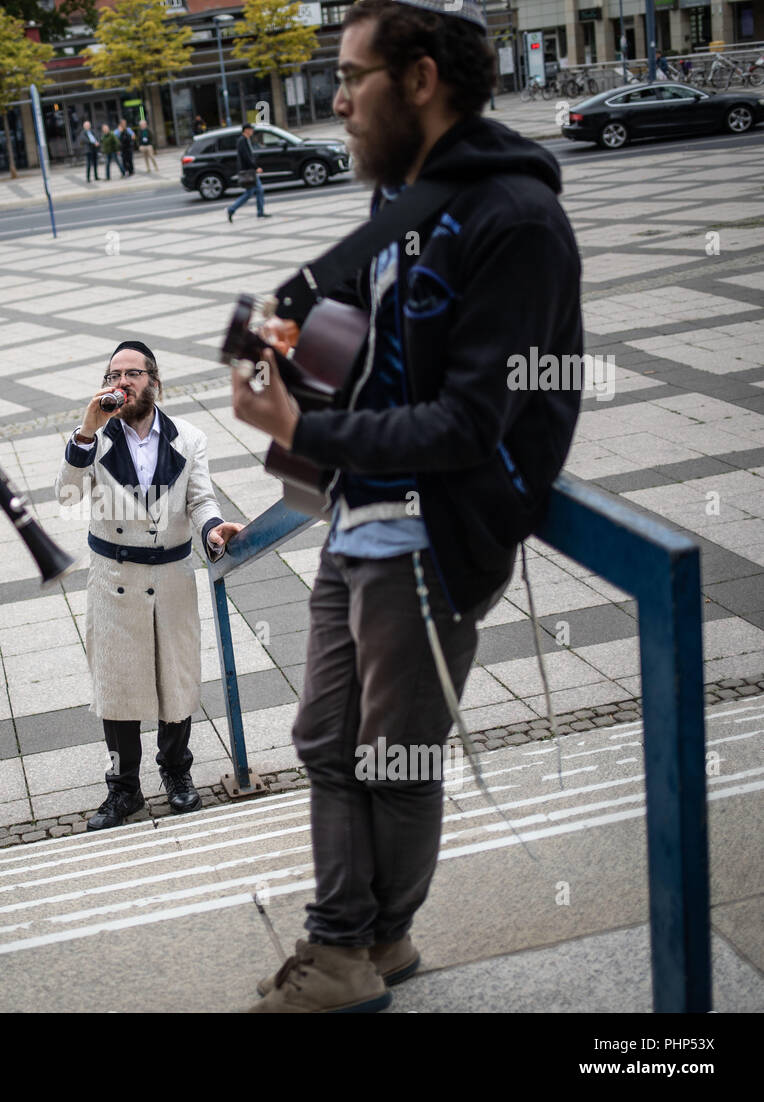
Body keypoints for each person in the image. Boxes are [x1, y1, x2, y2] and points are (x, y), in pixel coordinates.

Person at [230, 0, 582, 1013]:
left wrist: (305, 431)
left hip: (431, 534)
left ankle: (351, 948)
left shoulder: (511, 219)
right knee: (326, 741)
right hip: (359, 516)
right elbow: (379, 363)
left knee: (389, 750)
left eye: (352, 77)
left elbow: (469, 424)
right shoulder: (408, 201)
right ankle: (366, 942)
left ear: (420, 79)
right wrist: (298, 365)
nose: (334, 101)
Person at [57, 342, 243, 831]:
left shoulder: (190, 438)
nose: (123, 382)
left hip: (172, 577)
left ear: (153, 380)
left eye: (133, 373)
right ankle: (124, 790)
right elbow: (67, 494)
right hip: (115, 577)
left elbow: (201, 500)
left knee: (175, 681)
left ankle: (178, 775)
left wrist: (213, 530)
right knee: (118, 688)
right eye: (114, 374)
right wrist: (84, 431)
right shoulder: (92, 438)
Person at [226, 122, 270, 222]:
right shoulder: (242, 141)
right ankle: (231, 209)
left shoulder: (245, 140)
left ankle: (260, 213)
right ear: (246, 130)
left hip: (249, 171)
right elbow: (246, 157)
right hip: (248, 171)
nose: (252, 131)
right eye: (251, 129)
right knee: (250, 193)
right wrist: (255, 168)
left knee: (258, 191)